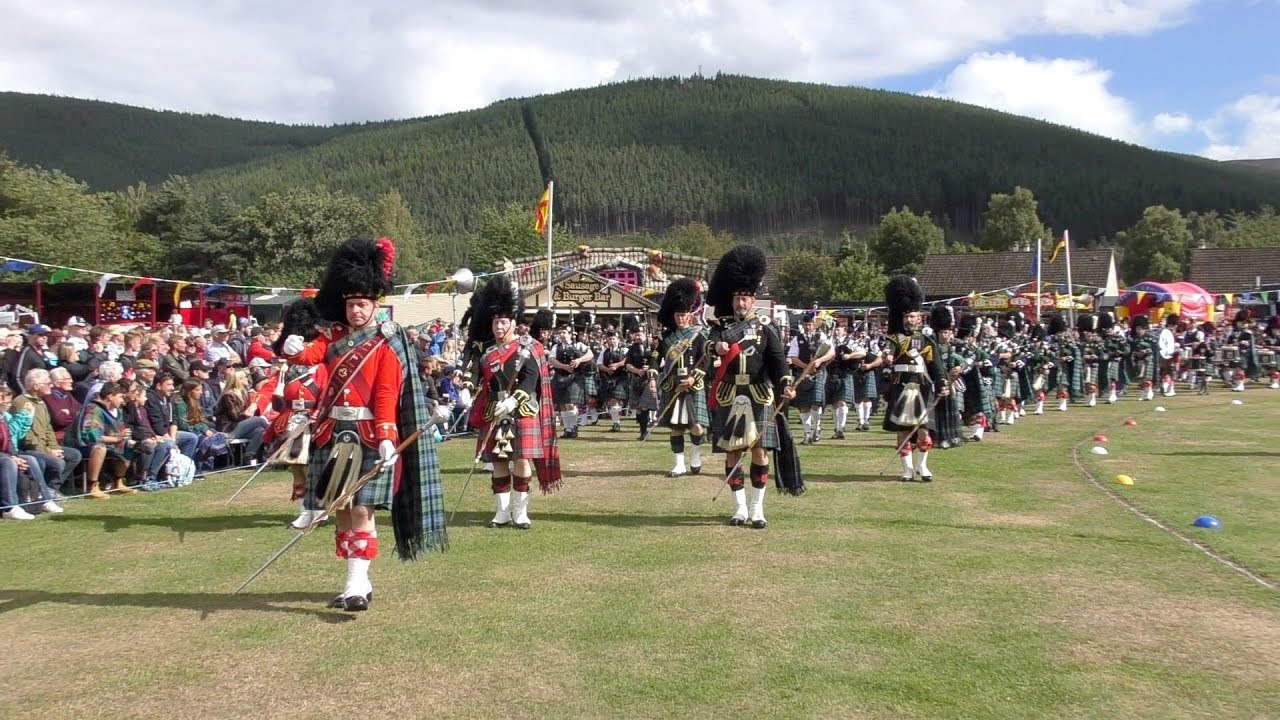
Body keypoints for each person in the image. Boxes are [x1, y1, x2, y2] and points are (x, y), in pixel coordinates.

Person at [281, 236, 447, 611]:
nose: (356, 311)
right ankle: (356, 579)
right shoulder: (332, 338)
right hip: (333, 433)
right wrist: (293, 349)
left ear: (375, 305)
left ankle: (357, 583)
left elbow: (387, 393)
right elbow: (310, 356)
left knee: (361, 510)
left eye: (363, 305)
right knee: (339, 508)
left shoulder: (387, 342)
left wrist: (389, 437)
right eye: (352, 304)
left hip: (370, 434)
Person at [705, 245, 797, 528]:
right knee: (733, 452)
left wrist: (785, 383)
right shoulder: (720, 328)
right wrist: (715, 347)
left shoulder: (765, 328)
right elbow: (706, 349)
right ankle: (740, 508)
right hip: (730, 393)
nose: (741, 303)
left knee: (759, 451)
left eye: (745, 298)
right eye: (737, 298)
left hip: (758, 394)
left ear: (753, 299)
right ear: (731, 299)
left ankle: (758, 508)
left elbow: (778, 360)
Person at [464, 274, 561, 530]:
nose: (498, 327)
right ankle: (501, 512)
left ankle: (520, 512)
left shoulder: (527, 349)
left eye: (503, 322)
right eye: (495, 322)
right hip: (494, 410)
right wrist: (467, 389)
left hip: (522, 410)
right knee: (497, 461)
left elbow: (531, 380)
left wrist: (514, 401)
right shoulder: (486, 354)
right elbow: (478, 377)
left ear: (513, 323)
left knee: (521, 460)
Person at [263, 298, 330, 530]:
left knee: (315, 468)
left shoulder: (321, 365)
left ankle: (319, 509)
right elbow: (279, 394)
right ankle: (303, 510)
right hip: (292, 418)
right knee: (297, 468)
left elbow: (326, 390)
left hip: (314, 419)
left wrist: (318, 412)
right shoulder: (288, 366)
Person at [880, 275, 946, 482]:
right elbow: (887, 351)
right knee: (903, 431)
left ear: (920, 318)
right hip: (901, 388)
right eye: (906, 316)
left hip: (922, 388)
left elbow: (936, 366)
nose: (909, 320)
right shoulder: (893, 339)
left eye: (913, 317)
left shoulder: (927, 340)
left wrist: (943, 382)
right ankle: (907, 470)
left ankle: (922, 466)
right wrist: (887, 356)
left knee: (924, 431)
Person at [654, 278, 709, 477]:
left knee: (696, 426)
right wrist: (653, 378)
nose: (680, 319)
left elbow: (705, 359)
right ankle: (679, 465)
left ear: (690, 315)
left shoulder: (699, 335)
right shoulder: (666, 337)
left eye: (684, 315)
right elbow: (655, 359)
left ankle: (695, 455)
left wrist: (694, 377)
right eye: (677, 315)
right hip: (672, 385)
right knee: (676, 427)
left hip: (694, 384)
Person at [13, 368, 83, 499]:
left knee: (74, 455)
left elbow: (48, 428)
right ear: (36, 386)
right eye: (47, 383)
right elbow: (26, 436)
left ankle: (50, 489)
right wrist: (47, 450)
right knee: (58, 462)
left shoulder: (41, 403)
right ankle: (42, 491)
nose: (50, 385)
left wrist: (54, 447)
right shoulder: (22, 402)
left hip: (43, 446)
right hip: (29, 449)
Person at [70, 381, 135, 495]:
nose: (122, 401)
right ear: (110, 396)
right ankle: (92, 485)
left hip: (109, 443)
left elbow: (120, 432)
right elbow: (91, 436)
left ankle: (118, 481)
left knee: (129, 444)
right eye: (120, 397)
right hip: (83, 445)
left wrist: (123, 438)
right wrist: (115, 439)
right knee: (99, 448)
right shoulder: (93, 409)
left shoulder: (117, 411)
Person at [788, 311, 834, 444]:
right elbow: (793, 357)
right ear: (803, 325)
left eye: (810, 324)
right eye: (805, 324)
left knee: (816, 403)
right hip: (802, 374)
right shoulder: (797, 338)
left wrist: (819, 361)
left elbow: (831, 352)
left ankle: (817, 428)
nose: (808, 327)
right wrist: (806, 366)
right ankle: (807, 434)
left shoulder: (822, 336)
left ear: (814, 325)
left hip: (819, 372)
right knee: (803, 405)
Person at [548, 324, 593, 439]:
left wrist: (579, 359)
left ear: (570, 334)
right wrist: (564, 367)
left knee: (570, 403)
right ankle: (567, 429)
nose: (562, 335)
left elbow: (590, 354)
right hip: (560, 376)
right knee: (562, 405)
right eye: (560, 333)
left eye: (564, 333)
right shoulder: (555, 347)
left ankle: (573, 427)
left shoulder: (578, 345)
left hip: (575, 377)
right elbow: (551, 360)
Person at [1157, 313, 1179, 397]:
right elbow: (1169, 346)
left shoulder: (1163, 331)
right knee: (1169, 372)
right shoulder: (1168, 333)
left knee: (1169, 372)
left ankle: (1171, 389)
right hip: (1169, 355)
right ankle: (1166, 386)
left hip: (1165, 354)